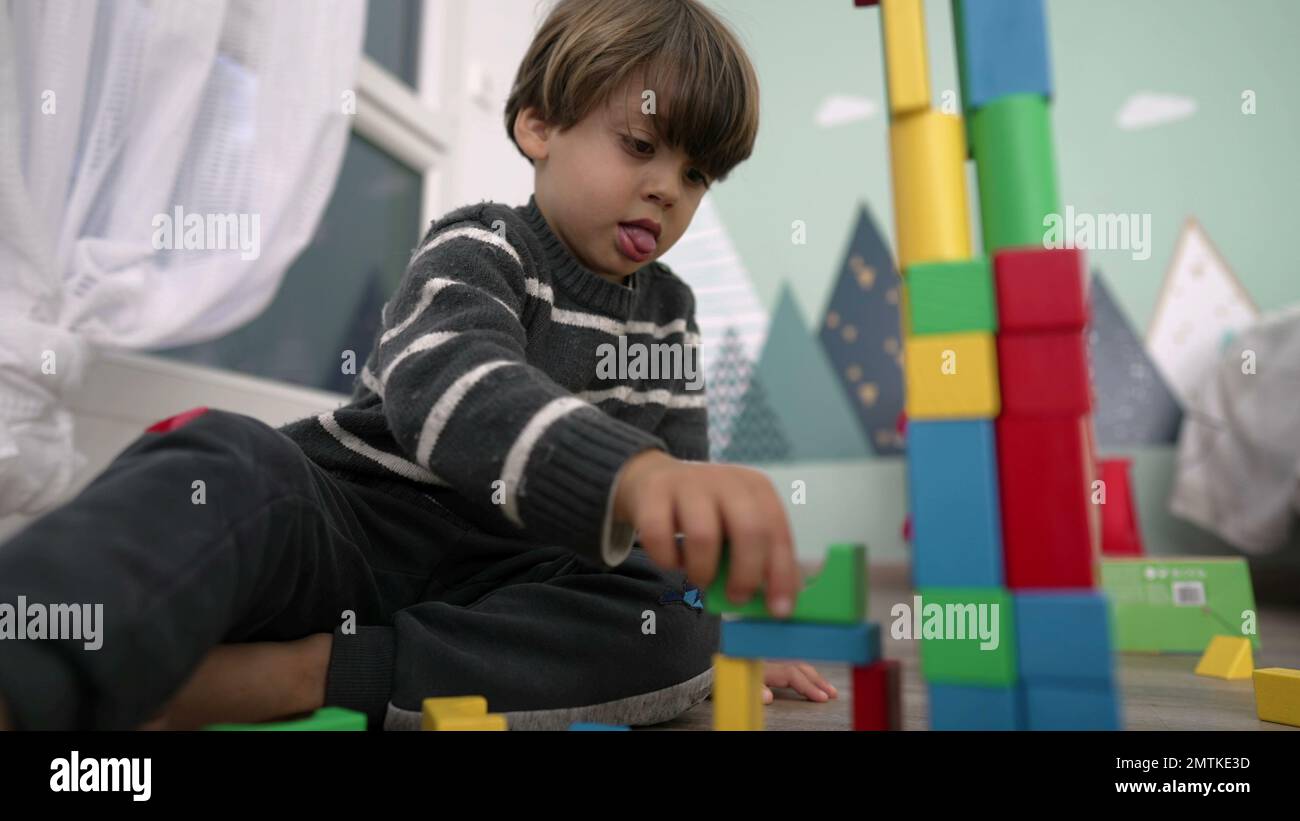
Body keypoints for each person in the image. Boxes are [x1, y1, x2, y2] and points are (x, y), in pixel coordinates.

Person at [0, 0, 836, 731]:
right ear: (539, 124)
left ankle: (300, 674)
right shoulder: (481, 246)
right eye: (641, 144)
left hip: (511, 591)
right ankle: (26, 664)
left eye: (696, 174)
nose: (666, 189)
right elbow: (453, 387)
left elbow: (676, 527)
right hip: (355, 530)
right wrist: (631, 474)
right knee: (230, 462)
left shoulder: (671, 312)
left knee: (671, 627)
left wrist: (712, 635)